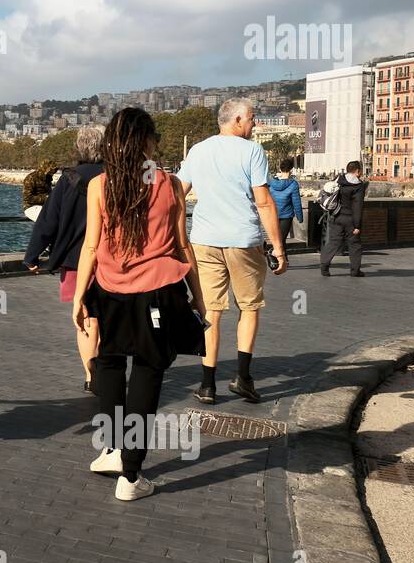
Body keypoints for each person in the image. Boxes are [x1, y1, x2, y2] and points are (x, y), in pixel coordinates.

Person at [74, 108, 205, 501]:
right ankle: (130, 476)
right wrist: (198, 296)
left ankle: (113, 450)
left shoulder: (100, 185)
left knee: (109, 363)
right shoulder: (170, 183)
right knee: (148, 372)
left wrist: (80, 296)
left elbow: (92, 246)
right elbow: (183, 245)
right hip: (158, 292)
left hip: (110, 289)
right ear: (147, 141)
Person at [178, 98, 286, 406]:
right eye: (252, 118)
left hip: (204, 240)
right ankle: (243, 378)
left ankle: (208, 384)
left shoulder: (198, 150)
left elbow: (178, 193)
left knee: (211, 310)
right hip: (242, 240)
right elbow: (264, 202)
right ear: (237, 120)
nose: (255, 123)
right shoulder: (252, 151)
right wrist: (278, 248)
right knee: (249, 308)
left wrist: (177, 235)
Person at [24, 125, 106, 391]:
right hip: (109, 258)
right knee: (105, 318)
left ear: (79, 148)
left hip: (73, 260)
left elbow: (49, 220)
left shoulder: (68, 180)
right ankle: (104, 366)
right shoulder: (113, 177)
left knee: (84, 318)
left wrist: (33, 255)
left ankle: (90, 375)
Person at [319, 160, 367, 278]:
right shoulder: (358, 185)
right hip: (350, 219)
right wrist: (357, 226)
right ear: (357, 171)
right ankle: (355, 271)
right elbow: (357, 207)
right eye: (360, 170)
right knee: (354, 245)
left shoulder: (338, 180)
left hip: (336, 216)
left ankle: (324, 266)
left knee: (333, 242)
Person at [267, 157, 303, 258]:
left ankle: (282, 259)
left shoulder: (271, 183)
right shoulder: (293, 184)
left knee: (277, 238)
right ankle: (281, 259)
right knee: (282, 239)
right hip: (286, 216)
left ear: (280, 169)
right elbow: (296, 202)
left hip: (272, 214)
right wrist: (300, 218)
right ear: (291, 170)